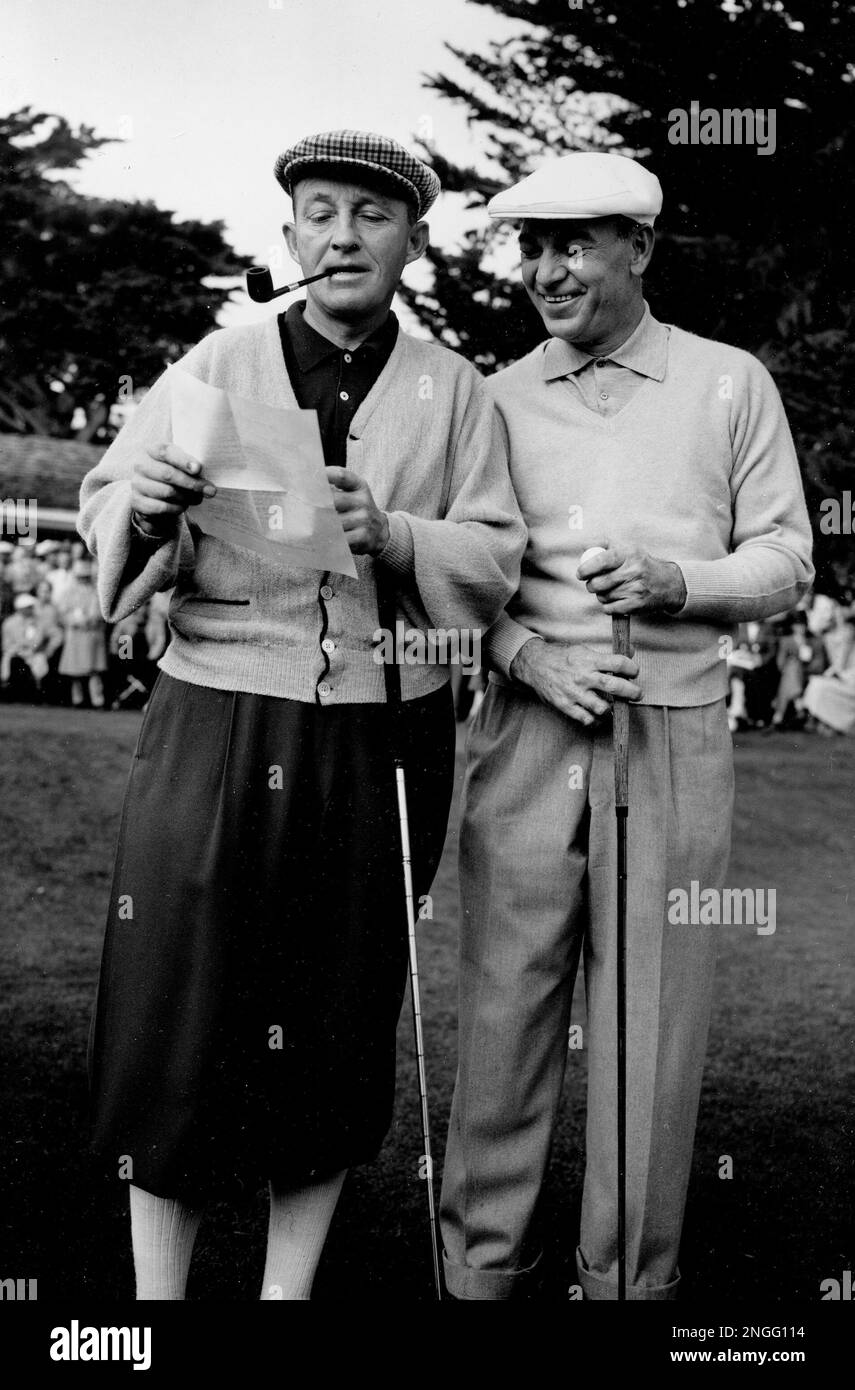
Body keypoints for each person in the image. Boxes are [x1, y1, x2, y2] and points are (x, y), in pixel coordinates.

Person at [78, 129, 525, 1302]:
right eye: (318, 212)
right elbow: (110, 522)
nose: (342, 235)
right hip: (220, 714)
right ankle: (154, 1307)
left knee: (332, 1017)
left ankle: (288, 1300)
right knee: (176, 1002)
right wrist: (152, 501)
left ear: (412, 242)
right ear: (288, 237)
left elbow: (497, 555)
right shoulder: (214, 366)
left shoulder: (455, 390)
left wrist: (401, 536)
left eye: (371, 215)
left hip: (383, 730)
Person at [439, 151, 814, 1300]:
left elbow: (788, 561)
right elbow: (461, 583)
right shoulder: (493, 397)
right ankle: (478, 1272)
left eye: (575, 243)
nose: (547, 270)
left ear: (639, 249)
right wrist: (524, 655)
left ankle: (628, 1285)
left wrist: (673, 582)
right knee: (506, 1012)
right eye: (532, 247)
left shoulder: (729, 382)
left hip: (677, 728)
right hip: (528, 728)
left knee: (651, 1028)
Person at [57, 558, 108, 708]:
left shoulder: (96, 591)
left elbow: (100, 612)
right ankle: (77, 700)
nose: (83, 579)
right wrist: (76, 620)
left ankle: (97, 701)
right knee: (75, 671)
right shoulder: (68, 592)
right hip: (75, 634)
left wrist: (91, 618)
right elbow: (63, 613)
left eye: (85, 576)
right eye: (80, 576)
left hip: (92, 634)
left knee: (94, 671)